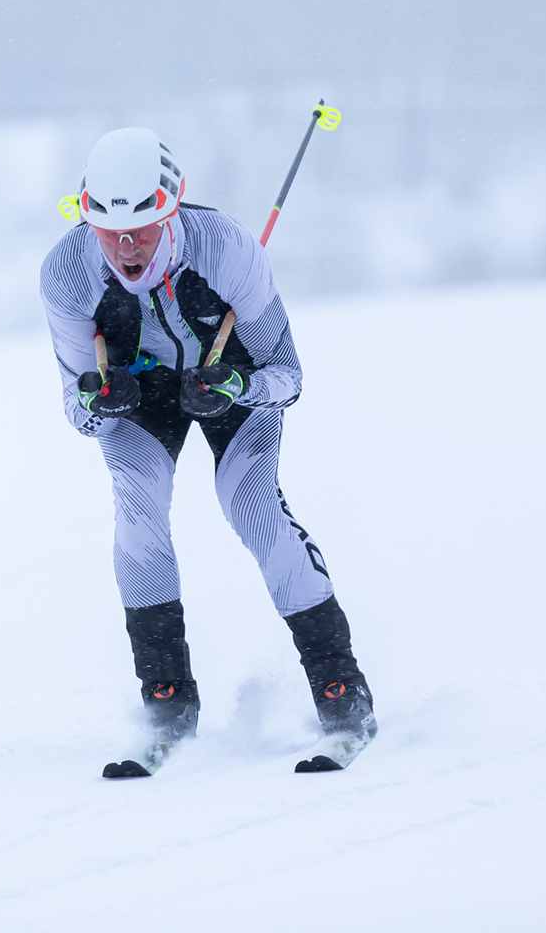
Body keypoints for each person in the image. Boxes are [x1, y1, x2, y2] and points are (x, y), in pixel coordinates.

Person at [39, 127, 376, 775]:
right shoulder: (66, 272)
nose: (127, 247)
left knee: (248, 500)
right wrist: (98, 400)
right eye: (110, 231)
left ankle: (340, 686)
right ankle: (167, 700)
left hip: (230, 384)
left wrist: (238, 386)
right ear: (87, 217)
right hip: (138, 399)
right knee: (139, 505)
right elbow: (76, 411)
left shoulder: (226, 249)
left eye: (143, 227)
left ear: (172, 210)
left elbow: (290, 377)